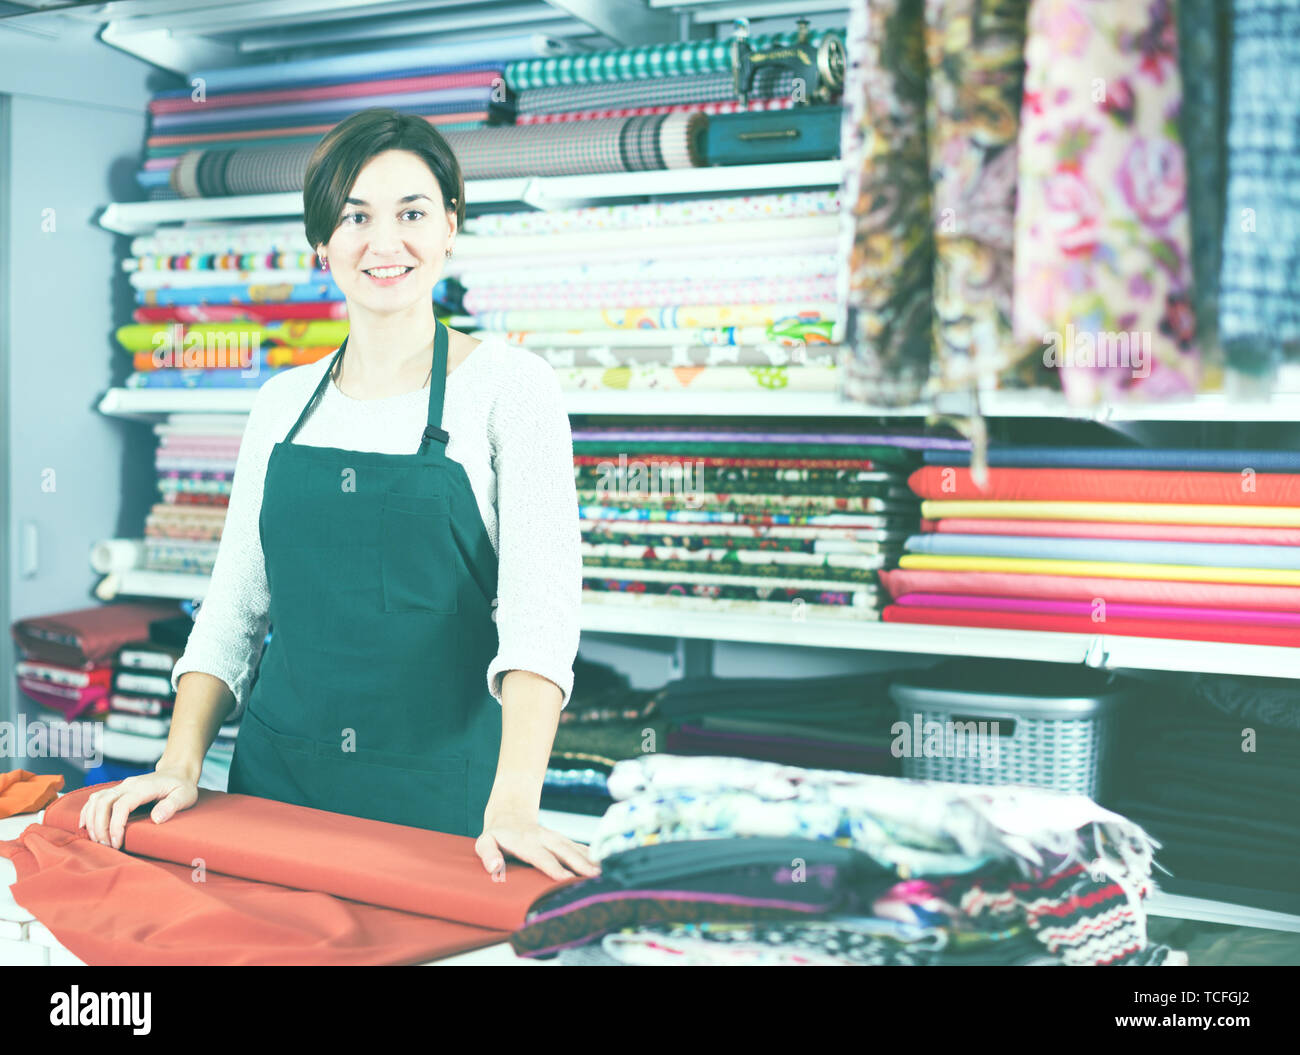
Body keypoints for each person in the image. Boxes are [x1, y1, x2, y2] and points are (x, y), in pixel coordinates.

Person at [80, 108, 598, 882]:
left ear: (451, 226)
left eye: (413, 213)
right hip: (275, 796)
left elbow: (539, 617)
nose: (384, 243)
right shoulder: (281, 403)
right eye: (355, 216)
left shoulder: (510, 388)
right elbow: (231, 611)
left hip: (447, 810)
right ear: (322, 242)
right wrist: (179, 763)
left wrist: (515, 803)